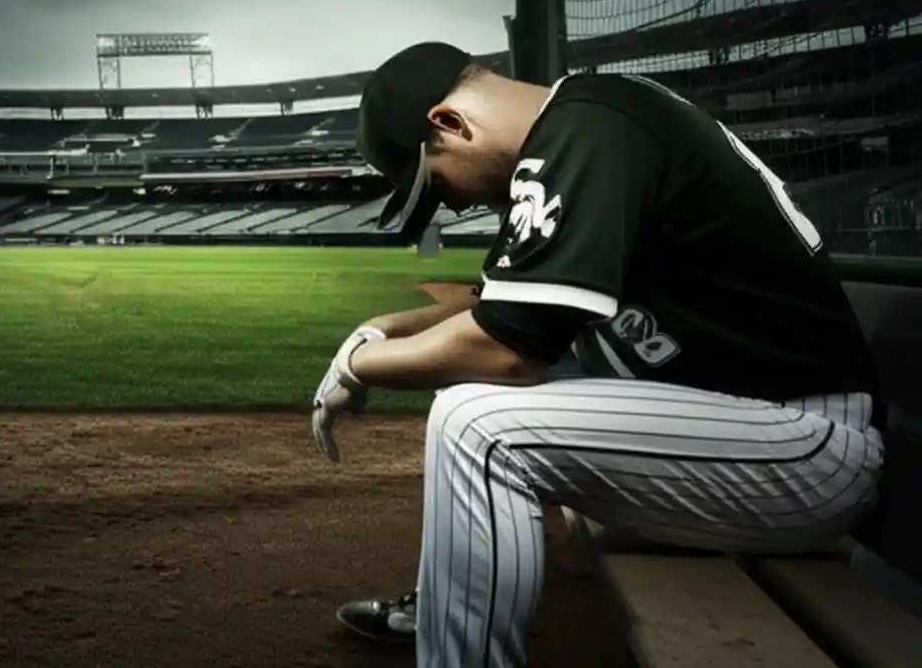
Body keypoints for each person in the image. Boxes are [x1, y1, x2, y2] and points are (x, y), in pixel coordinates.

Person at [309, 42, 885, 668]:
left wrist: (357, 366)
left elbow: (508, 348)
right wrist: (381, 329)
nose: (450, 204)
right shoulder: (584, 124)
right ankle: (444, 608)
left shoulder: (592, 129)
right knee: (472, 402)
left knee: (479, 426)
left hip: (802, 447)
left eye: (435, 182)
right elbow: (498, 301)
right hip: (736, 431)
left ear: (449, 124)